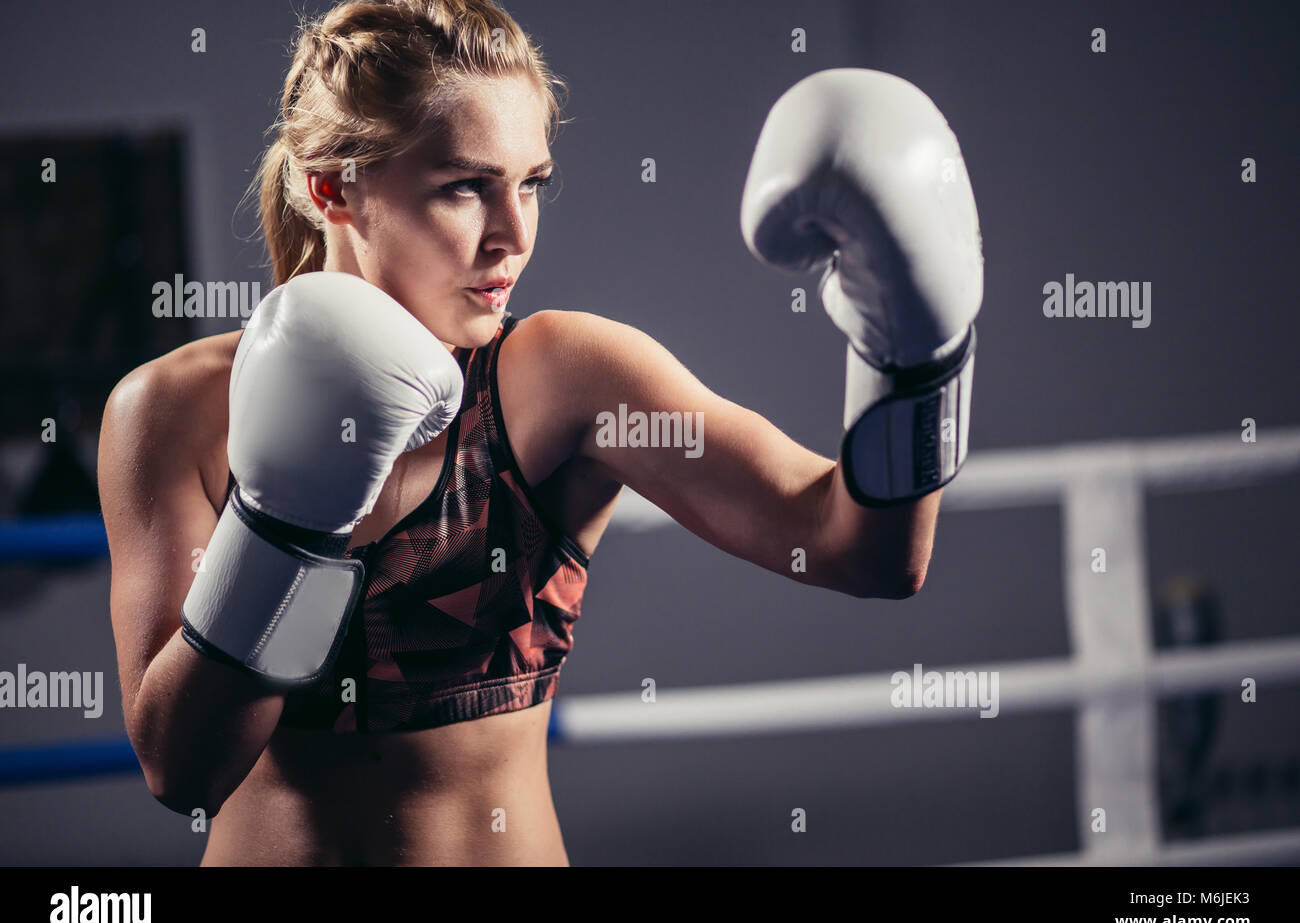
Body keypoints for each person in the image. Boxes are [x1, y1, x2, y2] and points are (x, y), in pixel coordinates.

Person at [97, 0, 980, 866]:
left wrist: (916, 358)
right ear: (332, 185)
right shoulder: (172, 411)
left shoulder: (564, 378)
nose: (512, 236)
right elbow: (183, 769)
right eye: (464, 188)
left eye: (531, 184)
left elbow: (858, 552)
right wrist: (287, 522)